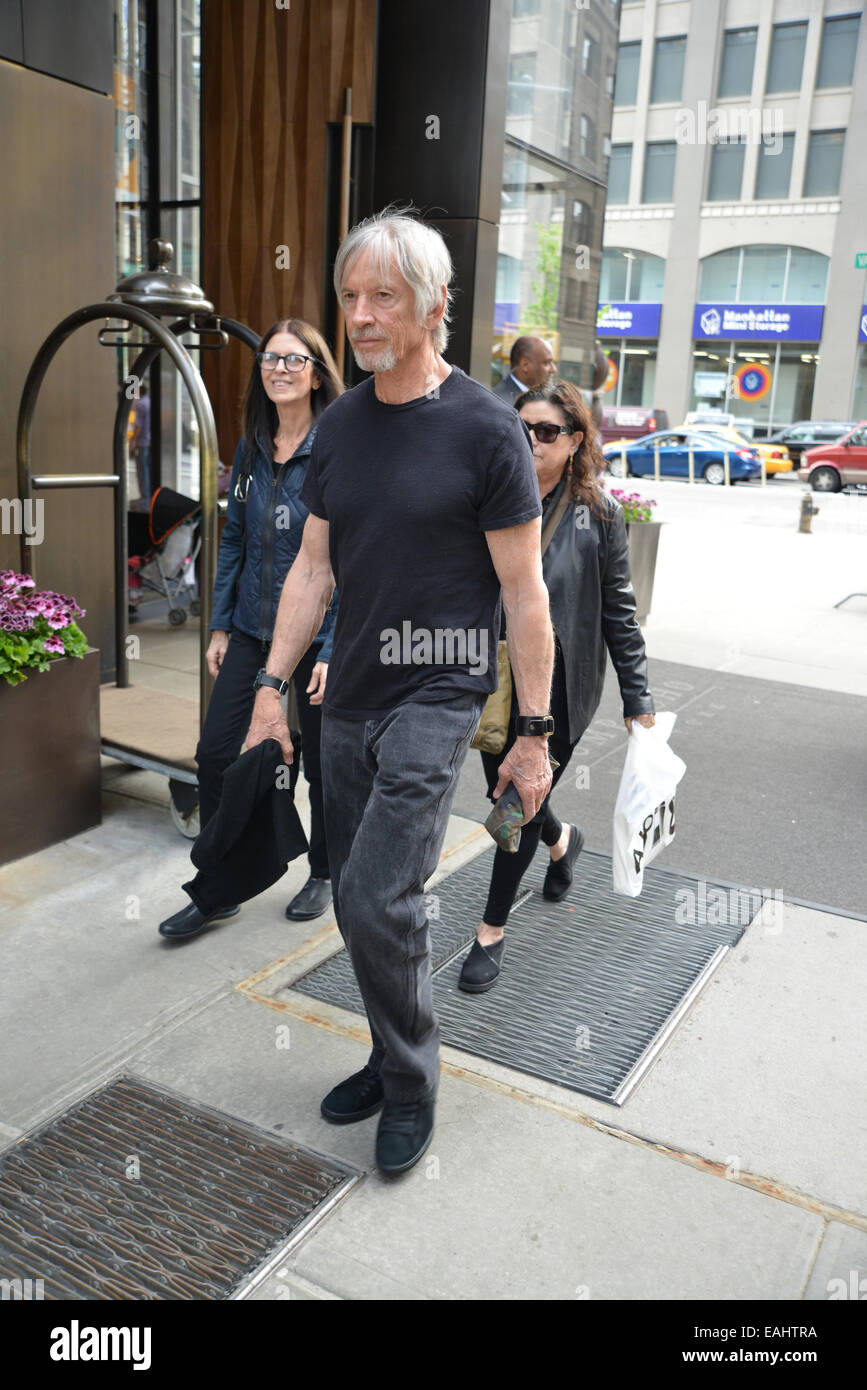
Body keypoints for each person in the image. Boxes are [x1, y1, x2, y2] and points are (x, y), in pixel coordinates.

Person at [244, 208, 555, 1175]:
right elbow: (311, 570)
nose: (361, 315)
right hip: (352, 695)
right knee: (356, 902)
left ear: (432, 307)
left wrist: (533, 735)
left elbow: (523, 589)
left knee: (381, 893)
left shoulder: (486, 431)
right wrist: (270, 687)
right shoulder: (339, 426)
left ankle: (412, 1082)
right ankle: (388, 1050)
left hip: (441, 690)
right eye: (349, 295)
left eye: (383, 296)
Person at [459, 378, 656, 994]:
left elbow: (619, 612)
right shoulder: (488, 496)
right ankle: (564, 839)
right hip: (491, 678)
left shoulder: (599, 514)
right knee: (510, 792)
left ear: (575, 441)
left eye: (547, 432)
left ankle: (490, 931)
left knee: (514, 805)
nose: (532, 443)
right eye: (521, 430)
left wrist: (638, 699)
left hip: (561, 688)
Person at [158, 319, 344, 940]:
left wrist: (337, 641)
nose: (280, 370)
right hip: (251, 628)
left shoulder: (337, 447)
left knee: (317, 763)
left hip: (316, 637)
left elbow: (350, 555)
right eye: (270, 359)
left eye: (294, 361)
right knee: (215, 754)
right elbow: (233, 539)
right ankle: (224, 883)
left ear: (317, 372)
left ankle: (322, 871)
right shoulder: (252, 445)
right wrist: (218, 626)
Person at [492, 335, 556, 403]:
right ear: (525, 365)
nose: (554, 369)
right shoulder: (503, 402)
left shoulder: (536, 395)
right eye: (547, 362)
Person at [131, 380, 151, 506]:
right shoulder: (149, 402)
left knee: (142, 470)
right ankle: (148, 495)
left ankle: (145, 496)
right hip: (149, 441)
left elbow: (138, 426)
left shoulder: (140, 405)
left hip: (142, 442)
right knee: (147, 468)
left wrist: (133, 441)